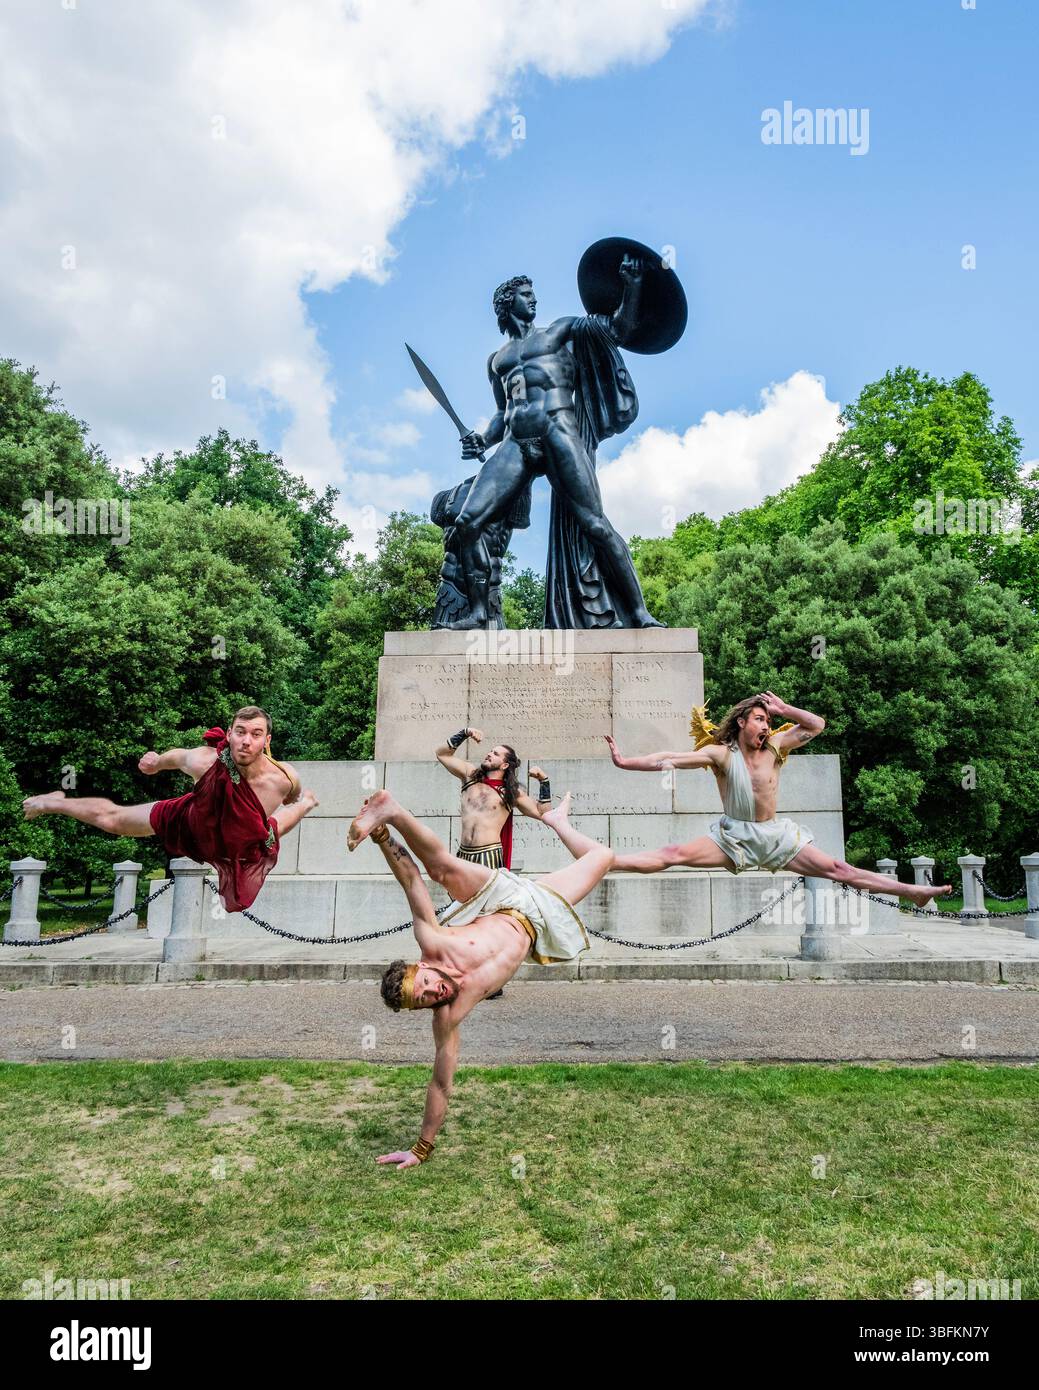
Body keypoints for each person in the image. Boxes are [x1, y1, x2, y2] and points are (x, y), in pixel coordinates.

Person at [345, 788, 611, 1168]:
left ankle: (391, 811)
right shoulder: (448, 1016)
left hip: (501, 899)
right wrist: (421, 1148)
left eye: (426, 985)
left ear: (422, 967)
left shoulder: (433, 942)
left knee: (440, 870)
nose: (435, 992)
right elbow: (440, 1083)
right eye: (426, 1000)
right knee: (605, 857)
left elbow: (412, 881)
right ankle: (568, 826)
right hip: (538, 914)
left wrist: (383, 836)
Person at [580, 691, 952, 909]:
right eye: (759, 719)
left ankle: (912, 891)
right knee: (671, 855)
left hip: (776, 837)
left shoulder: (776, 747)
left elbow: (816, 725)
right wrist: (625, 762)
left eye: (767, 720)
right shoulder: (720, 754)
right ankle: (603, 862)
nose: (766, 726)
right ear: (742, 721)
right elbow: (668, 759)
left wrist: (784, 710)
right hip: (734, 838)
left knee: (840, 871)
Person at [22, 705, 317, 912]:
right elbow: (177, 757)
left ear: (267, 741)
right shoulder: (206, 762)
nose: (246, 741)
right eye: (240, 732)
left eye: (255, 734)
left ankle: (308, 806)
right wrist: (156, 762)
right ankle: (55, 801)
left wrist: (299, 801)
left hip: (237, 840)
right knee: (113, 820)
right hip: (189, 820)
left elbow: (289, 799)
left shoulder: (285, 778)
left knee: (269, 832)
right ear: (228, 734)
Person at [434, 726, 552, 872]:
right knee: (458, 895)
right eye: (490, 751)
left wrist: (544, 781)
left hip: (489, 856)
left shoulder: (512, 793)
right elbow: (442, 754)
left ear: (505, 765)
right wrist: (465, 733)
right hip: (463, 855)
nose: (489, 754)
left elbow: (543, 814)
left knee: (488, 895)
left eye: (495, 754)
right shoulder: (470, 777)